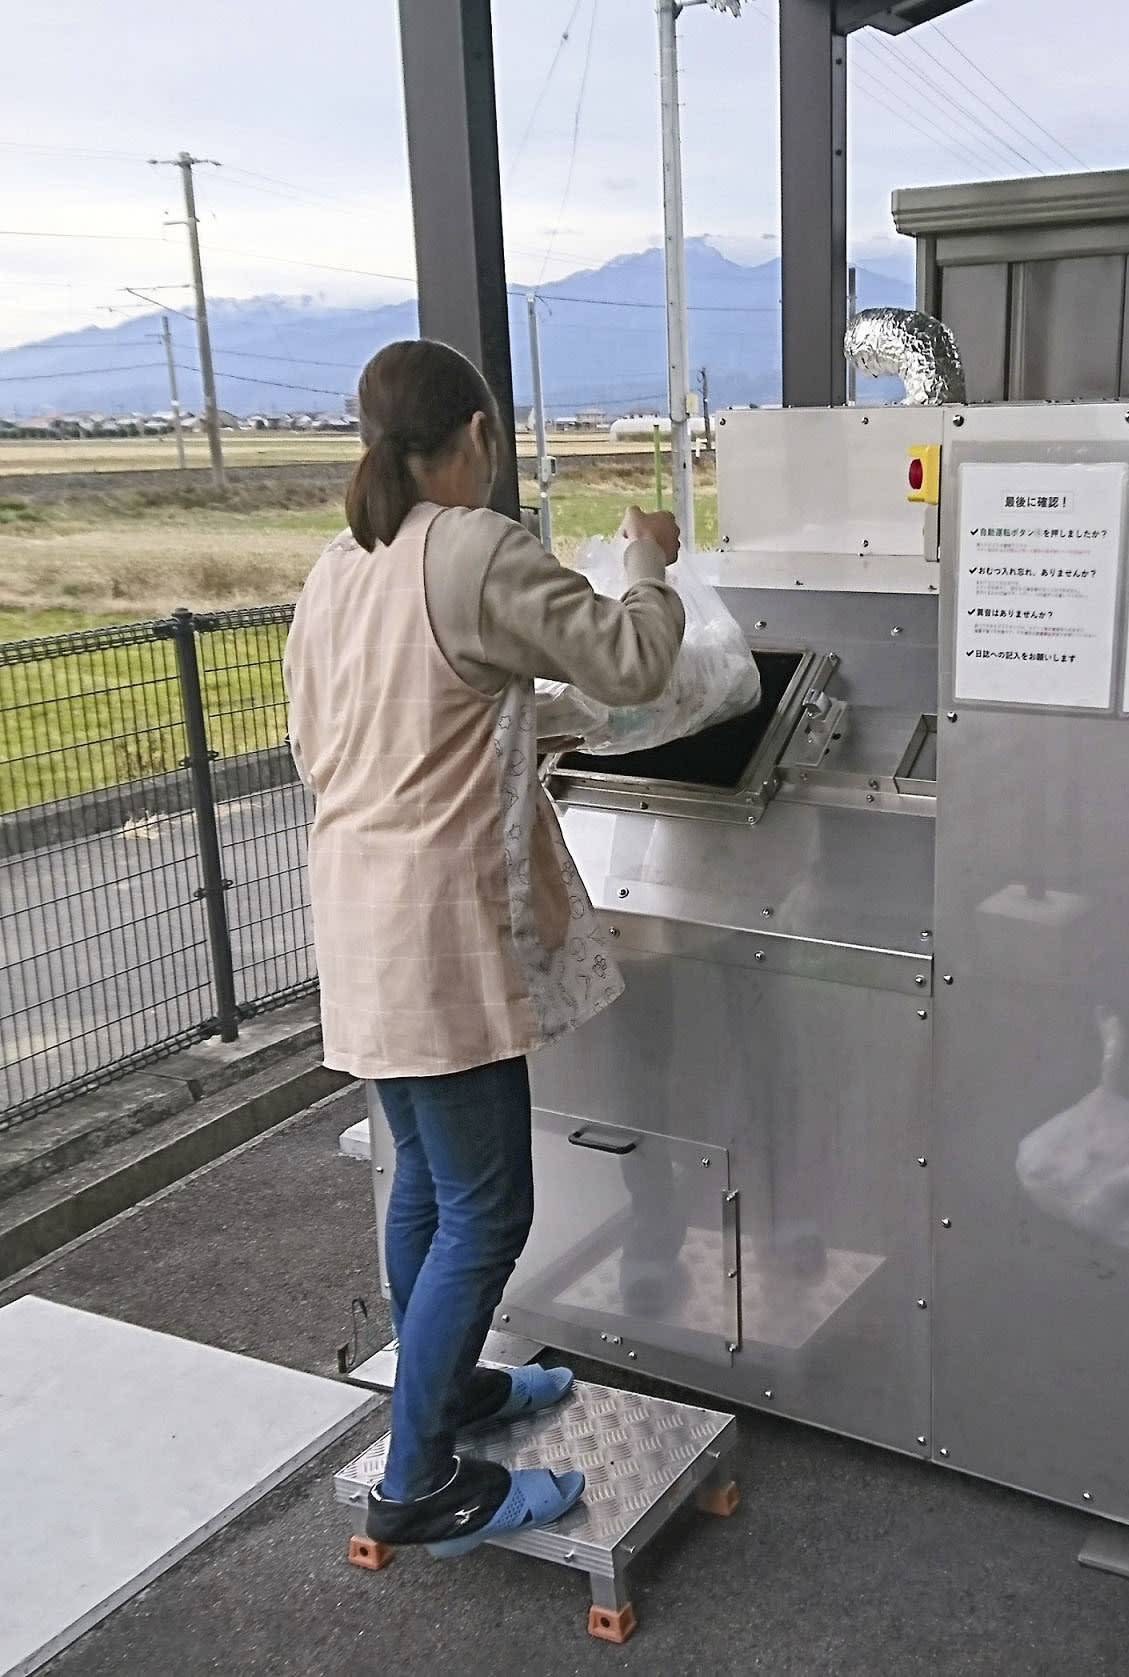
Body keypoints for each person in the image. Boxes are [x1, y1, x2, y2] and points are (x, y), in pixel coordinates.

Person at [284, 339, 685, 1558]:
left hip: (352, 911)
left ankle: (445, 1395)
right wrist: (651, 565)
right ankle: (419, 1482)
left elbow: (362, 732)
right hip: (437, 933)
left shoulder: (337, 567)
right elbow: (632, 657)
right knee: (486, 1208)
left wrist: (520, 728)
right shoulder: (478, 547)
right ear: (476, 436)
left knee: (421, 1182)